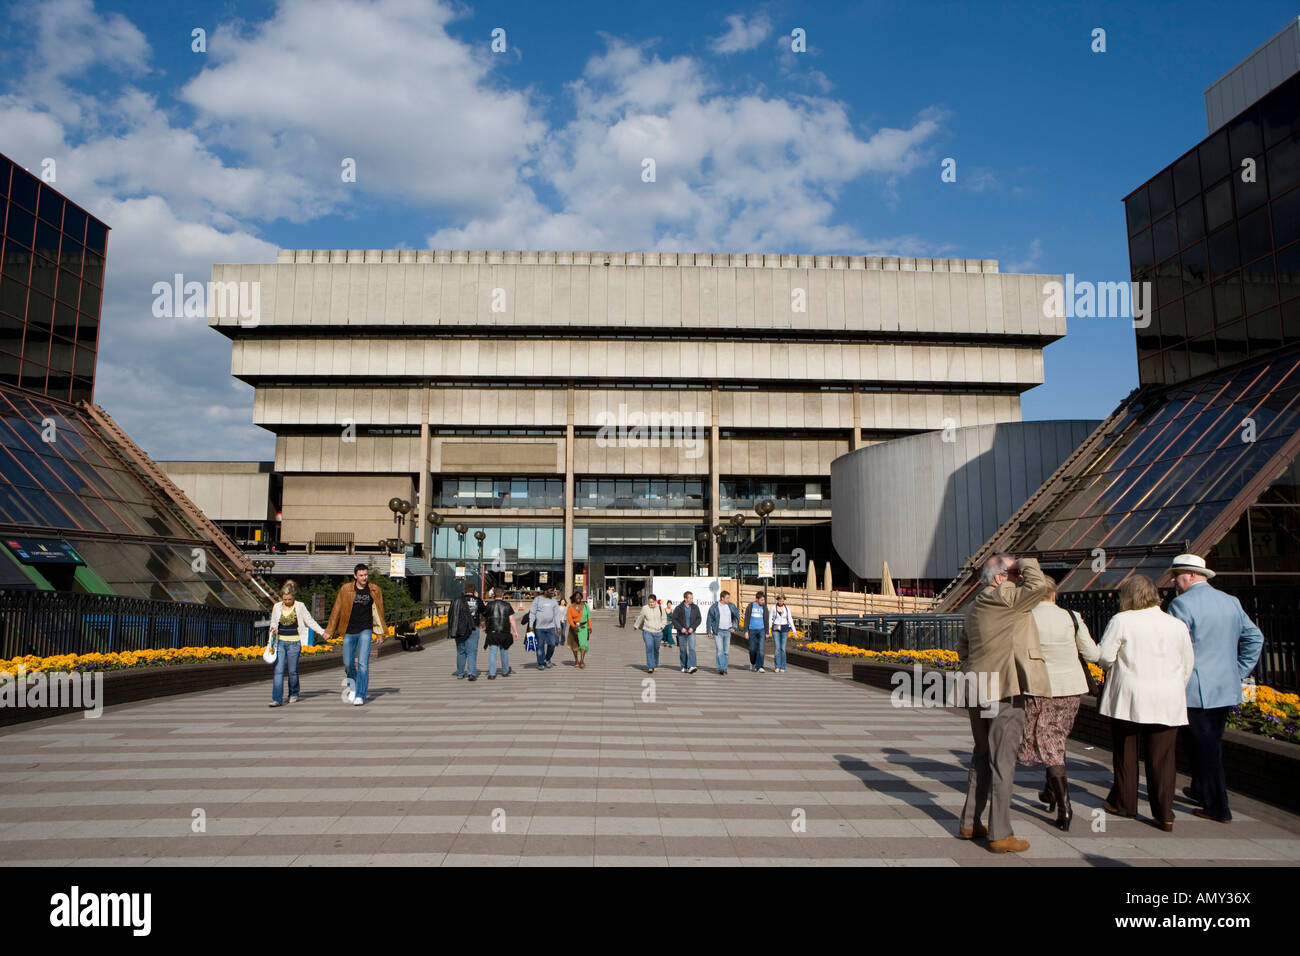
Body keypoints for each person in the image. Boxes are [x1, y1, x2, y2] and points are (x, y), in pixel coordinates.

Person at [956, 553, 1050, 853]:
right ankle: (1000, 833)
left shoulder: (973, 606)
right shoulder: (1004, 596)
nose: (1018, 578)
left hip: (977, 687)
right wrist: (1026, 560)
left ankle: (970, 821)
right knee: (1003, 761)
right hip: (1003, 689)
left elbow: (962, 649)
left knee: (982, 754)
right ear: (999, 578)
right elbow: (1038, 587)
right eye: (1013, 574)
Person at [1165, 553, 1264, 824]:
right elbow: (1255, 637)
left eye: (1178, 575)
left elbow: (1174, 648)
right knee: (1207, 744)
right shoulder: (1230, 602)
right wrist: (1240, 669)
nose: (1174, 580)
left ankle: (1218, 806)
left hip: (1194, 687)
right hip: (1223, 687)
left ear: (1194, 575)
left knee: (1204, 748)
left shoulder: (1181, 605)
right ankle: (1200, 789)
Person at [1097, 574, 1195, 831]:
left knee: (1126, 752)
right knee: (1163, 758)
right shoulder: (1176, 624)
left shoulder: (1122, 620)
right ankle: (1164, 814)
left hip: (1130, 696)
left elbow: (1104, 657)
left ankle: (1125, 804)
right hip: (1167, 697)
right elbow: (1187, 664)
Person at [1018, 576, 1100, 830]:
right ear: (1054, 594)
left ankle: (1065, 806)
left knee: (1047, 741)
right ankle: (1049, 790)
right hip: (1071, 689)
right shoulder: (1072, 617)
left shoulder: (1025, 618)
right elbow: (1093, 654)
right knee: (1056, 738)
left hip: (1039, 688)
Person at [323, 563, 387, 706]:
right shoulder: (345, 590)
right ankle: (353, 686)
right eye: (361, 575)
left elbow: (379, 612)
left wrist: (381, 633)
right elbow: (337, 609)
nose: (364, 578)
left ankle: (360, 695)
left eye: (366, 575)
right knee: (348, 663)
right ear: (355, 576)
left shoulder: (375, 590)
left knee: (363, 663)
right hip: (349, 630)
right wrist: (329, 630)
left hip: (366, 629)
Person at [267, 580, 325, 707]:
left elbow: (309, 621)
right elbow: (273, 622)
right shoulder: (277, 606)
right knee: (278, 670)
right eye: (285, 599)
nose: (287, 602)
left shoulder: (300, 606)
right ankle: (277, 698)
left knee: (292, 671)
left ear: (293, 597)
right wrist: (273, 628)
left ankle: (293, 693)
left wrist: (322, 632)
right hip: (280, 642)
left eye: (289, 599)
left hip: (294, 643)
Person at [448, 584, 484, 681]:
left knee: (460, 652)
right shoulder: (477, 600)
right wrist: (477, 598)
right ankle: (471, 673)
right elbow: (484, 611)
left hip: (459, 628)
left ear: (465, 590)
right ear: (474, 591)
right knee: (472, 652)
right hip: (473, 628)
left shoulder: (457, 600)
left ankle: (460, 673)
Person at [483, 588, 517, 679]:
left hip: (492, 632)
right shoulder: (507, 605)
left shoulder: (489, 605)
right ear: (502, 595)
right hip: (504, 632)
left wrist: (484, 627)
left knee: (492, 653)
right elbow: (511, 620)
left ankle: (492, 673)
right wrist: (515, 631)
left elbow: (484, 618)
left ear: (494, 595)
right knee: (504, 651)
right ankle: (505, 671)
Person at [706, 589, 739, 675]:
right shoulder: (714, 607)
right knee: (720, 650)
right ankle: (720, 668)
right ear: (722, 598)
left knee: (726, 651)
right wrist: (709, 631)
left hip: (727, 631)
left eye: (729, 598)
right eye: (727, 598)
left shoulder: (731, 606)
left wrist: (734, 627)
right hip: (718, 631)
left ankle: (724, 667)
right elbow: (709, 619)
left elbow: (736, 616)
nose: (729, 600)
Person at [529, 587, 563, 669]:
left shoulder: (554, 601)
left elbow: (557, 615)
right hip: (539, 628)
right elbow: (532, 613)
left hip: (551, 627)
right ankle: (540, 663)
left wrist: (558, 627)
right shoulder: (537, 600)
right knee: (540, 646)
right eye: (551, 591)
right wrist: (531, 626)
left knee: (552, 644)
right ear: (545, 591)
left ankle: (547, 658)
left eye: (553, 591)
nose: (552, 592)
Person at [632, 594, 668, 672]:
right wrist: (636, 626)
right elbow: (640, 617)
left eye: (652, 602)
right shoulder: (645, 608)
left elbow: (664, 619)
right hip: (647, 631)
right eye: (649, 602)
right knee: (649, 648)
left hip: (658, 632)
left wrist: (662, 626)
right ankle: (650, 666)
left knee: (656, 649)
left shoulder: (661, 608)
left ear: (655, 601)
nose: (651, 604)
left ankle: (655, 664)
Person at [672, 591, 703, 674]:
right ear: (685, 599)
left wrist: (693, 628)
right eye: (690, 598)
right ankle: (684, 666)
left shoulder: (695, 607)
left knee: (692, 648)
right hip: (682, 632)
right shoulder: (679, 608)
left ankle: (692, 666)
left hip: (691, 632)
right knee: (683, 650)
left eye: (692, 598)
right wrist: (681, 628)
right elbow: (674, 620)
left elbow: (699, 619)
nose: (692, 599)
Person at [743, 592, 770, 672]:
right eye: (762, 600)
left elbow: (766, 620)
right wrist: (746, 631)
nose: (763, 601)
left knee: (761, 649)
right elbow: (746, 619)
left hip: (761, 630)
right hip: (752, 630)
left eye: (764, 600)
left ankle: (760, 666)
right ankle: (753, 663)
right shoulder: (750, 606)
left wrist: (767, 632)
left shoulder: (764, 607)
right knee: (752, 649)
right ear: (757, 599)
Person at [567, 590, 592, 668]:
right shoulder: (570, 607)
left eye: (579, 596)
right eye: (576, 596)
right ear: (574, 598)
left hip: (584, 627)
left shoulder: (585, 605)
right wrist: (574, 627)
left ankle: (582, 660)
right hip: (574, 628)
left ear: (581, 597)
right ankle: (576, 660)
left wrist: (590, 627)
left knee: (583, 644)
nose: (578, 597)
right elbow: (569, 618)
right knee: (575, 645)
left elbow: (589, 617)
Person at [770, 595, 795, 673]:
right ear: (777, 600)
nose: (781, 602)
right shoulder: (773, 608)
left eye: (783, 601)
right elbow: (770, 618)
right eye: (780, 600)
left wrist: (794, 630)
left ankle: (783, 666)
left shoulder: (787, 608)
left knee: (783, 648)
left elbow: (790, 619)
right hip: (776, 628)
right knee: (777, 648)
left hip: (784, 628)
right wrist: (768, 629)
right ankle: (777, 666)